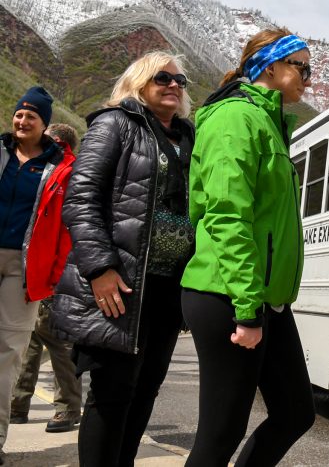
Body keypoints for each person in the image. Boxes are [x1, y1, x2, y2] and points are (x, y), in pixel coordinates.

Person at [50, 52, 196, 467]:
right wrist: (100, 268)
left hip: (169, 286)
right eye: (161, 77)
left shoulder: (189, 136)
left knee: (147, 389)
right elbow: (80, 199)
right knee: (113, 393)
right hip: (122, 282)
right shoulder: (114, 124)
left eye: (179, 80)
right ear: (138, 82)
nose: (173, 85)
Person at [181, 28, 316, 466]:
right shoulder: (234, 117)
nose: (308, 79)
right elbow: (226, 216)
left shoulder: (268, 123)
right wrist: (246, 307)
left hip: (263, 296)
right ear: (272, 67)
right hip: (228, 292)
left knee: (296, 411)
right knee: (221, 432)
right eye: (303, 68)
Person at [0, 87, 75, 463]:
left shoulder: (60, 167)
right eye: (18, 114)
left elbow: (67, 227)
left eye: (31, 116)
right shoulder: (0, 154)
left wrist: (52, 272)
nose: (22, 121)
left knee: (8, 354)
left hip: (24, 268)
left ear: (44, 124)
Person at [10, 123, 84, 434]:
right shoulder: (49, 170)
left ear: (59, 143)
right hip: (36, 269)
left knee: (56, 340)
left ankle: (67, 407)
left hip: (56, 272)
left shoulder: (66, 173)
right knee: (30, 340)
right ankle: (18, 404)